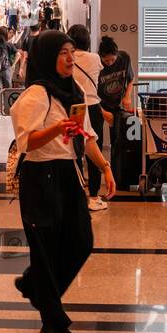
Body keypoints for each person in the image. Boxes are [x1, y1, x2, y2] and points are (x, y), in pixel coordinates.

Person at [10, 30, 116, 333]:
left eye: (71, 52)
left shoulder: (74, 90)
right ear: (46, 58)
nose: (70, 59)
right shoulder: (36, 95)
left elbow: (86, 134)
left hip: (68, 174)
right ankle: (52, 320)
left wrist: (105, 167)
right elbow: (26, 142)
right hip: (40, 175)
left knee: (81, 240)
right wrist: (55, 128)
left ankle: (35, 285)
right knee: (45, 249)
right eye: (62, 54)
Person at [67, 25, 109, 212]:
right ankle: (93, 195)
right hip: (92, 106)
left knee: (75, 149)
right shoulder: (95, 58)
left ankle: (76, 192)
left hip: (74, 108)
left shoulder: (68, 58)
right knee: (94, 149)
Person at [97, 35, 137, 187]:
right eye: (106, 61)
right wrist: (102, 112)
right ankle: (98, 172)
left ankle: (116, 175)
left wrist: (127, 96)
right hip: (98, 105)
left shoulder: (124, 58)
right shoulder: (96, 65)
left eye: (112, 60)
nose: (109, 63)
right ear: (101, 57)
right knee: (96, 140)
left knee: (118, 141)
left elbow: (131, 79)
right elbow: (90, 94)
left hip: (116, 105)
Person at [0, 27, 18, 117]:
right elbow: (17, 54)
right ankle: (8, 108)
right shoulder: (9, 45)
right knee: (7, 89)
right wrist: (13, 64)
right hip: (7, 69)